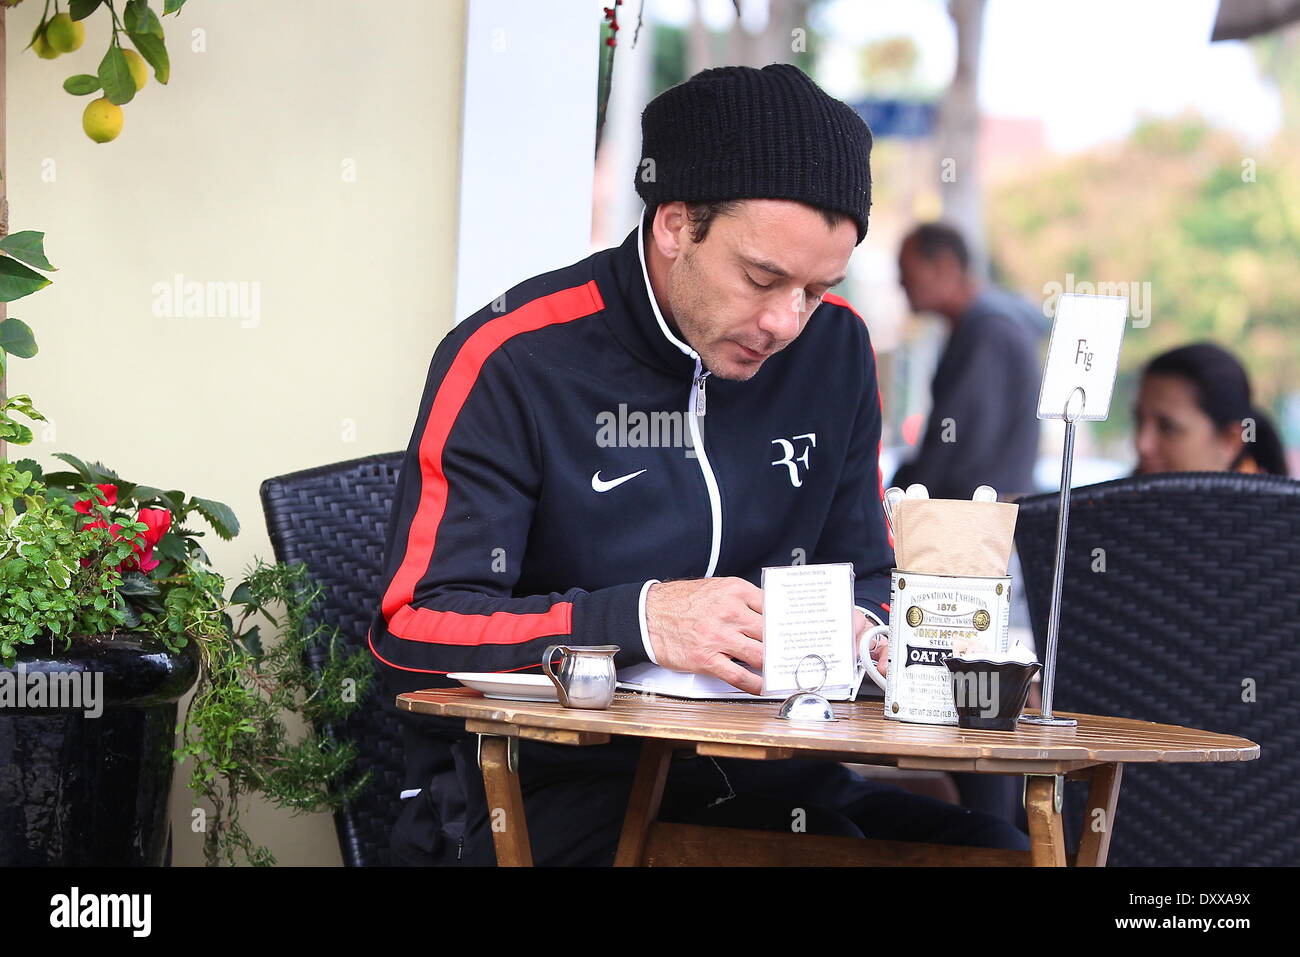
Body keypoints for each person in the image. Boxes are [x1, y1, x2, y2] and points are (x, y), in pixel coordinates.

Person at [369, 64, 1028, 865]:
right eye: (763, 277)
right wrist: (641, 621)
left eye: (819, 288)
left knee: (1001, 849)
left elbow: (864, 570)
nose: (787, 321)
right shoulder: (512, 358)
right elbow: (414, 628)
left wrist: (876, 634)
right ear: (675, 224)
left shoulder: (838, 349)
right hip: (543, 793)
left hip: (772, 787)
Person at [891, 223, 1046, 500]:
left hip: (979, 522)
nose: (901, 281)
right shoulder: (989, 325)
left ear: (945, 266)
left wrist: (906, 492)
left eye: (906, 269)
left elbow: (959, 444)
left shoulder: (987, 332)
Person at [1135, 342, 1289, 477]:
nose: (1142, 444)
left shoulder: (1271, 510)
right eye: (1139, 421)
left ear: (1230, 440)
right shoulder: (1121, 504)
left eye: (1168, 427)